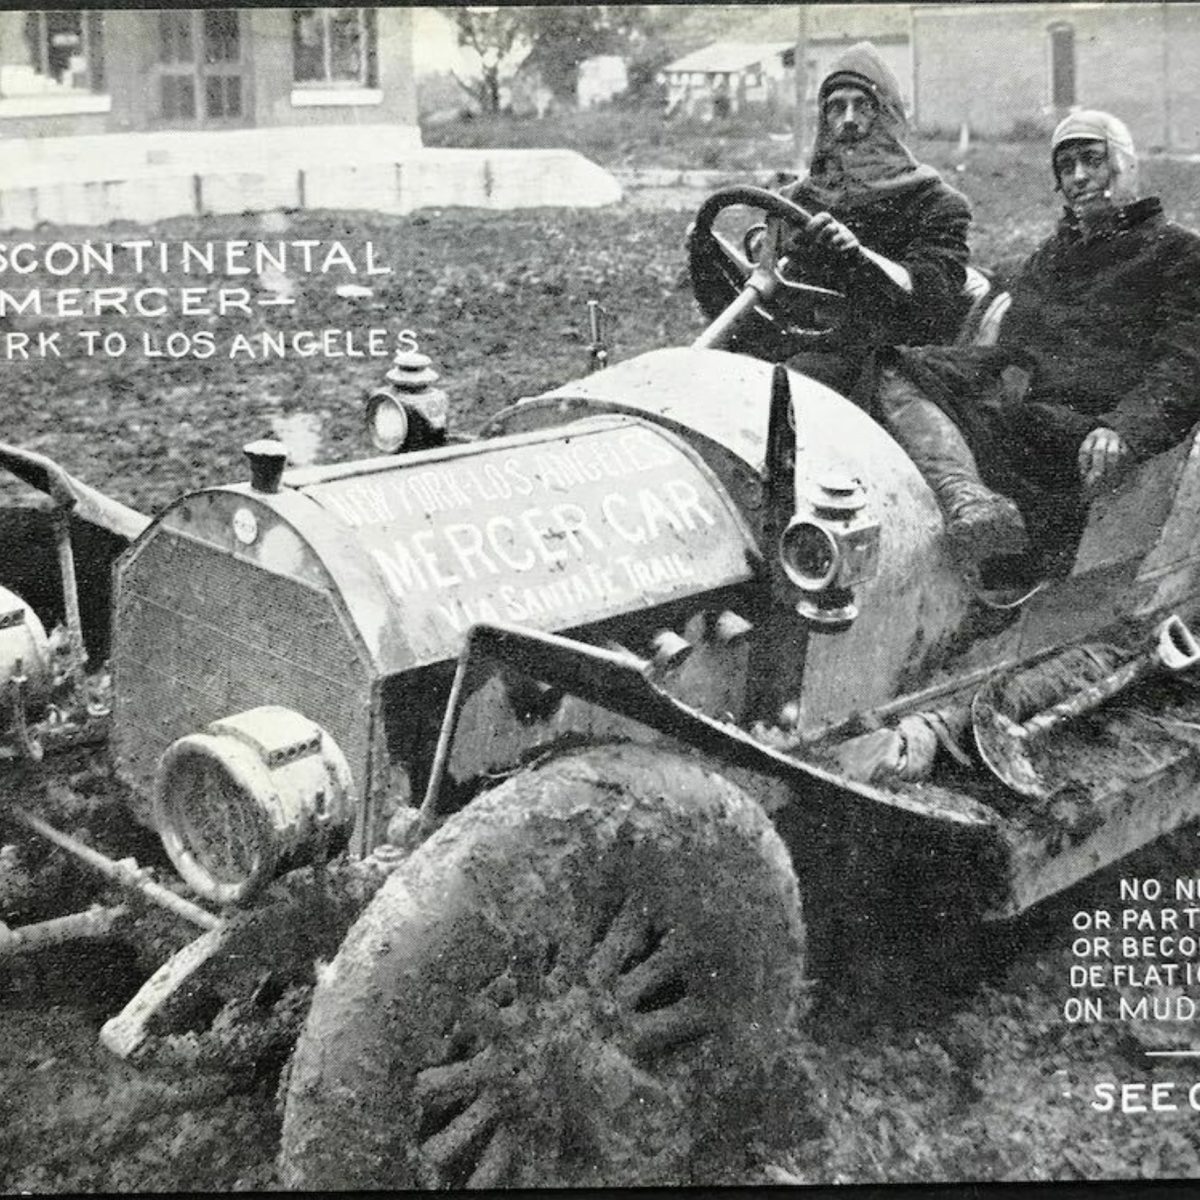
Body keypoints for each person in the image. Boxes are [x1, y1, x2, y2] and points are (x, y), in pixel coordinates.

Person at [875, 110, 1200, 573]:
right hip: (1029, 418)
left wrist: (1123, 429)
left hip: (1092, 433)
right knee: (894, 365)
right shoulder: (1052, 255)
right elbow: (1014, 346)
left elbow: (1184, 366)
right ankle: (972, 500)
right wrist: (938, 365)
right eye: (1066, 168)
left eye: (1092, 160)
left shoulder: (1177, 251)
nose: (1079, 177)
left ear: (1125, 164)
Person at [775, 42, 973, 395]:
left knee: (794, 381)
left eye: (863, 106)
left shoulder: (935, 201)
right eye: (837, 108)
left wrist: (860, 255)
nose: (849, 120)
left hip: (885, 354)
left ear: (888, 115)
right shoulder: (797, 198)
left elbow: (933, 295)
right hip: (799, 338)